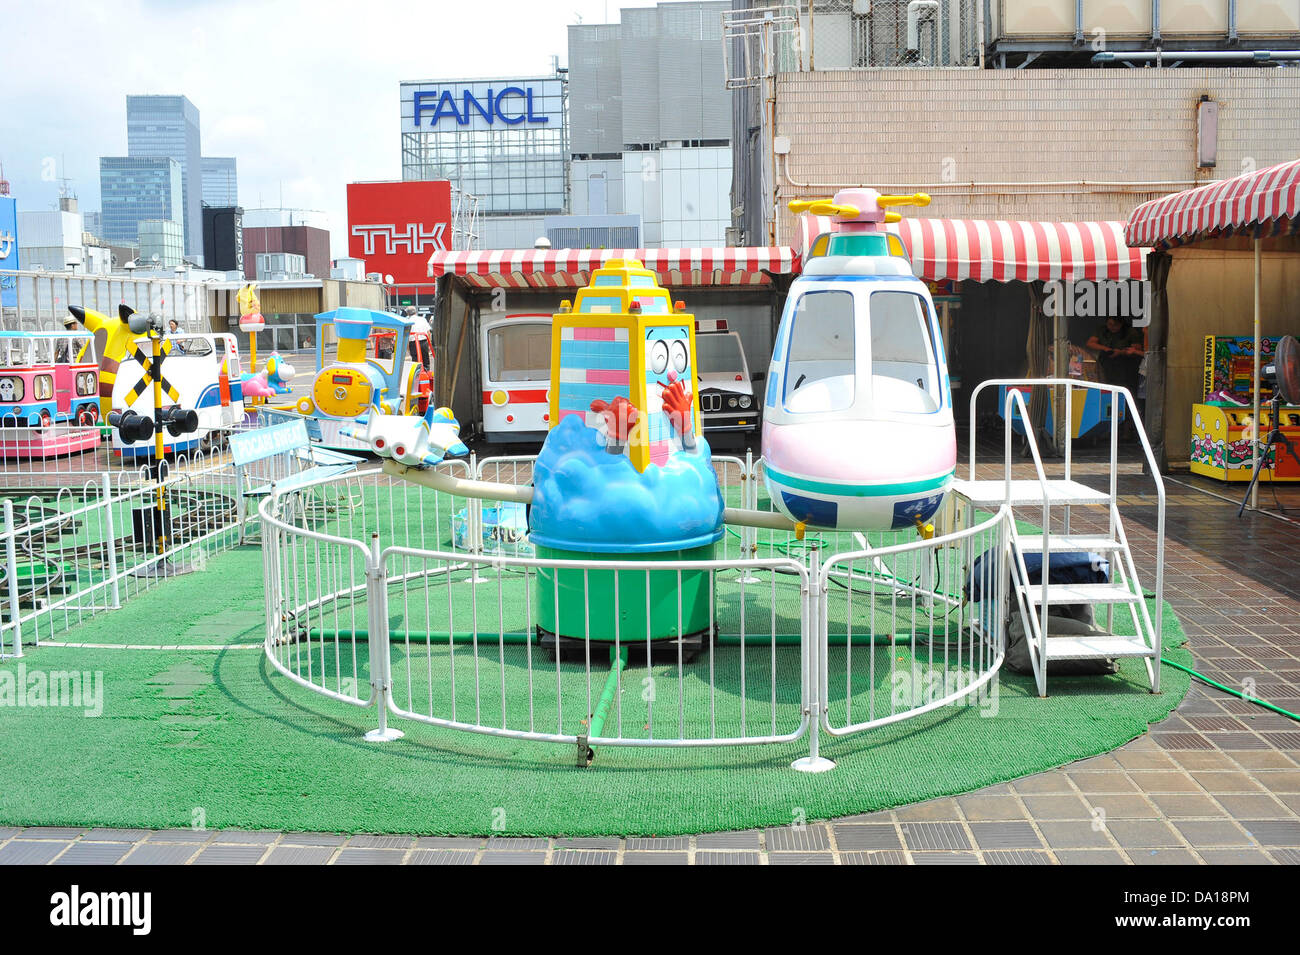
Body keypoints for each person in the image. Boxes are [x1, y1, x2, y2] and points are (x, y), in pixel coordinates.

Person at [1087, 314, 1144, 432]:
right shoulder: (1102, 330)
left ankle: (1127, 429)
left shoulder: (1130, 332)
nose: (1112, 327)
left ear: (1121, 324)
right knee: (1107, 396)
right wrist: (1105, 349)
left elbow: (1138, 349)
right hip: (1107, 366)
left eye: (1115, 325)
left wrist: (1121, 352)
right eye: (1110, 324)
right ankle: (1107, 429)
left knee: (1126, 396)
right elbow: (1090, 343)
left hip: (1125, 368)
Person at [405, 306, 431, 370]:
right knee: (426, 360)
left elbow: (407, 336)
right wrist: (429, 344)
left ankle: (417, 376)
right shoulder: (422, 319)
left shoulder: (407, 321)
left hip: (413, 343)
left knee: (415, 361)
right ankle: (427, 373)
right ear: (416, 312)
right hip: (424, 341)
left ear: (408, 313)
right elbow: (428, 332)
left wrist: (408, 348)